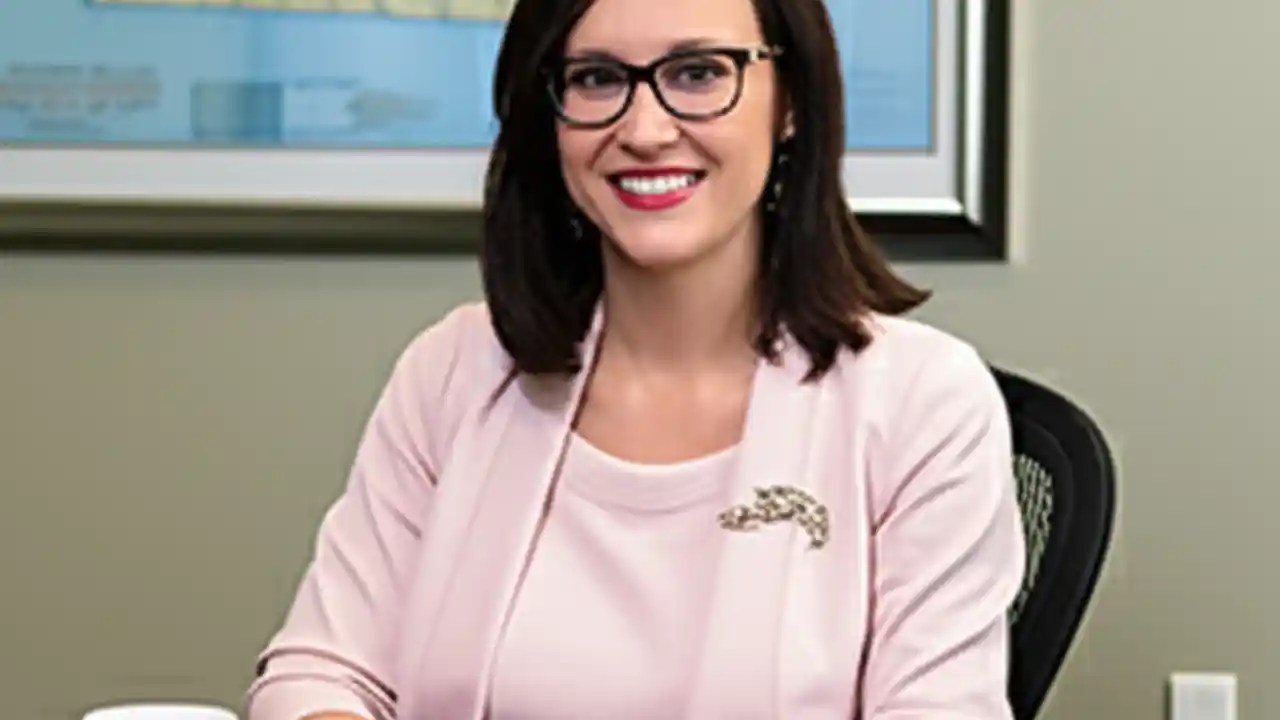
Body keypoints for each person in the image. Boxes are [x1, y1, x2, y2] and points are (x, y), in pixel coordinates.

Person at [245, 0, 1026, 716]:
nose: (645, 129)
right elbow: (322, 671)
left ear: (789, 101)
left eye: (698, 74)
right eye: (596, 79)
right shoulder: (456, 369)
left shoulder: (923, 403)